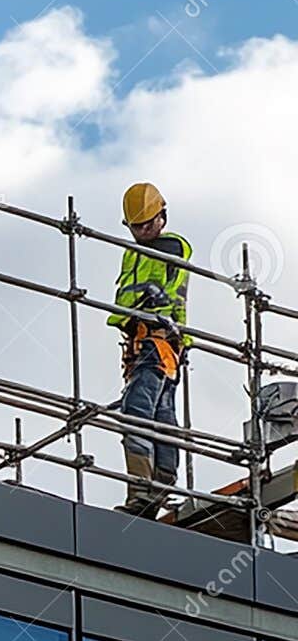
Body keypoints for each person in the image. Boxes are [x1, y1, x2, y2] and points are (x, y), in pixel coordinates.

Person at [108, 182, 192, 516]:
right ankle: (159, 488)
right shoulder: (133, 253)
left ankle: (144, 493)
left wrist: (150, 304)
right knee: (161, 416)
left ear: (162, 216)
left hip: (159, 341)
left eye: (147, 224)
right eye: (135, 226)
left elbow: (164, 291)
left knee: (137, 409)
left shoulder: (172, 246)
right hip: (144, 341)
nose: (141, 231)